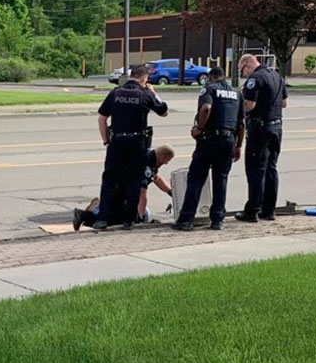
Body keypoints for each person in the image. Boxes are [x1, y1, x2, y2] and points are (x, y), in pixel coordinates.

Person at [84, 64, 169, 230]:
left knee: (108, 181)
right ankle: (129, 221)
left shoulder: (115, 93)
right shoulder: (145, 94)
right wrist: (153, 93)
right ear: (144, 78)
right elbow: (164, 111)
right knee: (134, 182)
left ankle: (102, 219)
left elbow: (102, 118)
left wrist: (106, 141)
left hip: (117, 143)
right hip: (137, 144)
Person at [171, 67, 244, 231]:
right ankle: (217, 220)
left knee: (196, 179)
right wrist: (238, 146)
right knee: (221, 179)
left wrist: (199, 128)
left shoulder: (208, 89)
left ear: (211, 77)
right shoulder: (237, 93)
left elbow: (206, 108)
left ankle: (186, 220)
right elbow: (241, 123)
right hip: (229, 140)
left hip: (209, 139)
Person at [234, 54, 287, 222]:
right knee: (271, 168)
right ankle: (269, 210)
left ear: (248, 65)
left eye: (242, 71)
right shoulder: (276, 76)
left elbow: (249, 105)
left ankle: (252, 211)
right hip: (276, 127)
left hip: (260, 129)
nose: (244, 74)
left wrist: (236, 110)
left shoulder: (255, 79)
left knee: (256, 169)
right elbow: (284, 103)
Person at [73, 144, 174, 229]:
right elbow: (142, 193)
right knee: (116, 222)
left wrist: (170, 191)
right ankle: (85, 214)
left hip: (123, 193)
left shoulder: (149, 157)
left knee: (144, 213)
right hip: (120, 193)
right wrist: (140, 220)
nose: (166, 163)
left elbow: (157, 177)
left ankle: (97, 208)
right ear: (162, 156)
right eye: (167, 160)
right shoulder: (146, 163)